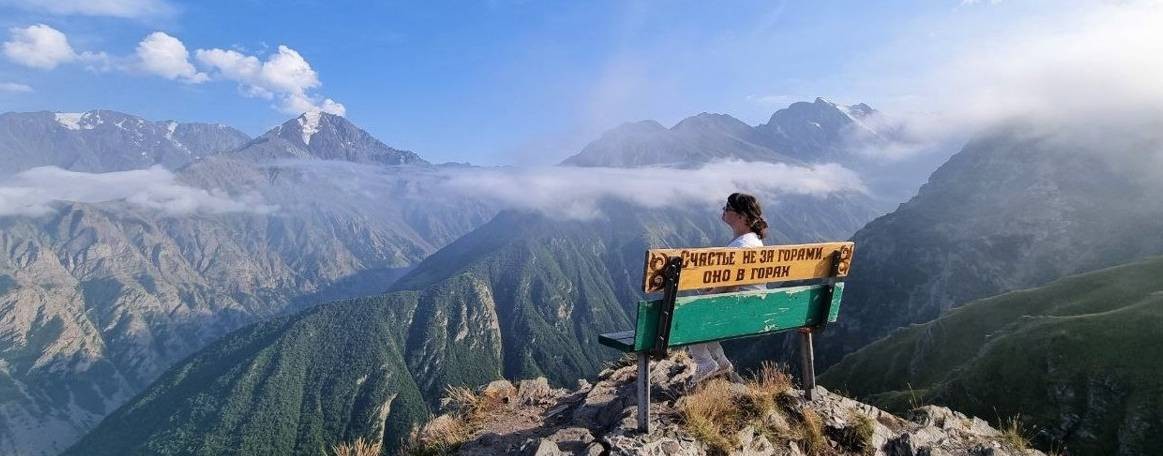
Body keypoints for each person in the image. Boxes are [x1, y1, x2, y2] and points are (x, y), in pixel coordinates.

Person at [688, 192, 769, 384]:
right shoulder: (755, 242)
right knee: (703, 307)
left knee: (688, 314)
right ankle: (721, 362)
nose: (723, 210)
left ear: (742, 217)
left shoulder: (740, 247)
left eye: (728, 208)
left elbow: (731, 283)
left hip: (737, 309)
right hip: (757, 308)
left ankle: (705, 362)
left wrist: (711, 292)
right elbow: (734, 281)